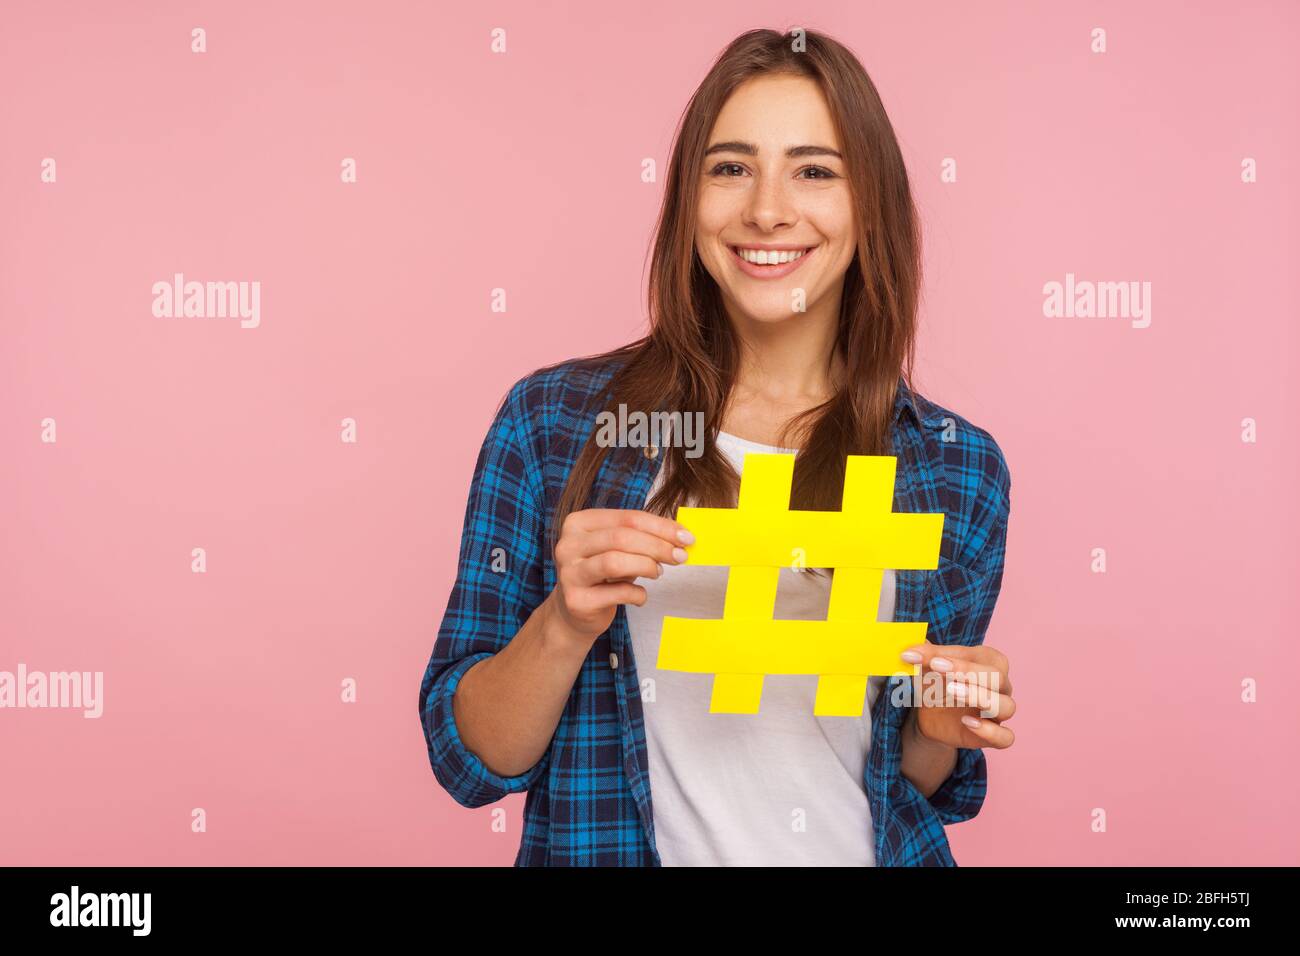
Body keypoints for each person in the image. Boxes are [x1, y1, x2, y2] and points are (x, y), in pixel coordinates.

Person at [419, 27, 1016, 866]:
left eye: (815, 169)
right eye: (730, 167)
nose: (767, 209)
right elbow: (471, 762)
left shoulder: (956, 466)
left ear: (870, 205)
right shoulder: (554, 423)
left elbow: (906, 779)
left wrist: (939, 726)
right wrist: (563, 623)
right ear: (686, 200)